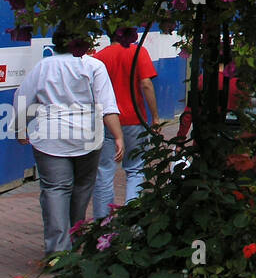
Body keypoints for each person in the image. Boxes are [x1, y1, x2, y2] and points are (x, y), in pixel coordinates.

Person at [16, 27, 124, 255]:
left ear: (56, 43)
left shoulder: (43, 66)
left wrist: (20, 128)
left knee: (55, 189)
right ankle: (75, 240)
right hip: (87, 136)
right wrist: (118, 136)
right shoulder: (94, 66)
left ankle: (57, 251)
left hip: (50, 137)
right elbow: (107, 105)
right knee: (82, 188)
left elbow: (22, 97)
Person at [92, 27, 160, 220]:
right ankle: (133, 222)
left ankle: (102, 224)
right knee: (136, 169)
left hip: (105, 121)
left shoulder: (99, 57)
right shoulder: (138, 52)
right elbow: (146, 83)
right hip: (134, 119)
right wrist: (154, 117)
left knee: (104, 172)